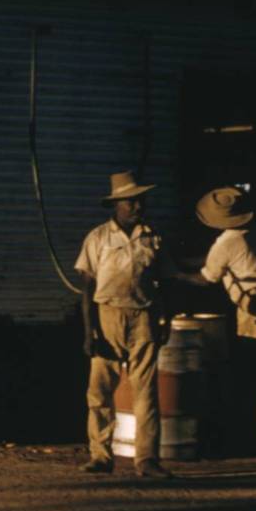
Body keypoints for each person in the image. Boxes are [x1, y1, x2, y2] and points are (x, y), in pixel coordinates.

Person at [74, 171, 175, 479]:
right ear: (116, 204)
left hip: (143, 315)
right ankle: (101, 455)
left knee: (145, 392)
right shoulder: (98, 238)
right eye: (130, 201)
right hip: (108, 315)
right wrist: (89, 331)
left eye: (139, 200)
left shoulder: (152, 237)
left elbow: (164, 281)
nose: (137, 206)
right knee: (100, 390)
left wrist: (164, 319)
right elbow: (87, 288)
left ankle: (146, 460)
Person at [188, 185, 256, 451]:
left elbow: (207, 277)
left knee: (252, 371)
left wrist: (176, 274)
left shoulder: (227, 242)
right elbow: (219, 260)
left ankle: (249, 435)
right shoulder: (255, 232)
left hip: (255, 312)